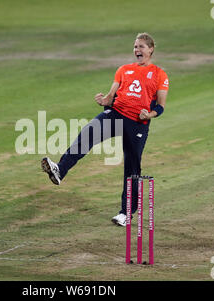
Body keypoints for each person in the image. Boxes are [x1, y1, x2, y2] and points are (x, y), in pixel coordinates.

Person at [41, 33, 169, 226]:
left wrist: (149, 115)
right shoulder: (123, 70)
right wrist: (104, 100)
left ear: (151, 49)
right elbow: (111, 97)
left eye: (141, 47)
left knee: (132, 168)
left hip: (137, 123)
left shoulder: (160, 74)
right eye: (135, 47)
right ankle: (60, 170)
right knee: (87, 134)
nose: (137, 50)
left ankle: (126, 213)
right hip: (116, 113)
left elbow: (160, 106)